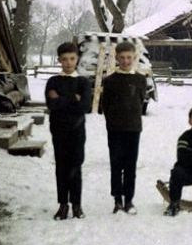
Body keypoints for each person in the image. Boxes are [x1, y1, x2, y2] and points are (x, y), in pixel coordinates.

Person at [45, 42, 92, 220]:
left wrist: (62, 99)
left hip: (77, 130)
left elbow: (85, 107)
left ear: (77, 59)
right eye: (64, 59)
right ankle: (63, 205)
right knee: (61, 167)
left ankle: (77, 205)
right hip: (58, 130)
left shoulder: (83, 82)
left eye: (72, 58)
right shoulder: (53, 81)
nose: (68, 63)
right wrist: (73, 98)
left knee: (76, 166)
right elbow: (52, 105)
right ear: (59, 60)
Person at [98, 41, 146, 215]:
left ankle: (129, 200)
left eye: (129, 57)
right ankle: (117, 200)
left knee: (130, 166)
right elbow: (105, 105)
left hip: (133, 128)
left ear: (134, 58)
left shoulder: (140, 79)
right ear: (117, 58)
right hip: (115, 130)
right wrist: (113, 123)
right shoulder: (110, 80)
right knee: (116, 164)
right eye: (122, 57)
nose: (126, 61)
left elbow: (140, 100)